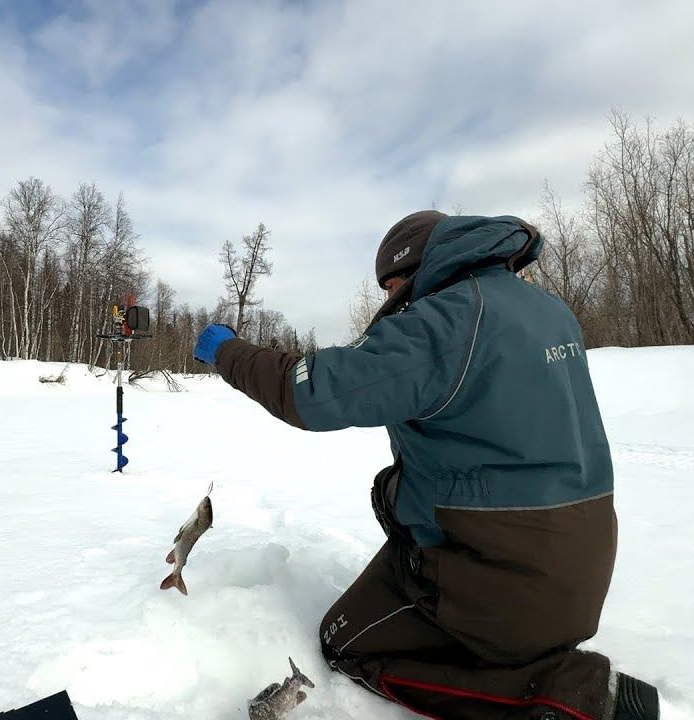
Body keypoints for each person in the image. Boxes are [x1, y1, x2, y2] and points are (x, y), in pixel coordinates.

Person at [192, 212, 659, 720]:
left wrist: (228, 350)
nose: (390, 297)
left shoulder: (449, 320)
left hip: (503, 572)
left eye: (390, 284)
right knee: (396, 494)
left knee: (345, 642)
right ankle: (506, 641)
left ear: (411, 268)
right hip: (576, 562)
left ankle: (564, 693)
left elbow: (310, 391)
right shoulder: (546, 308)